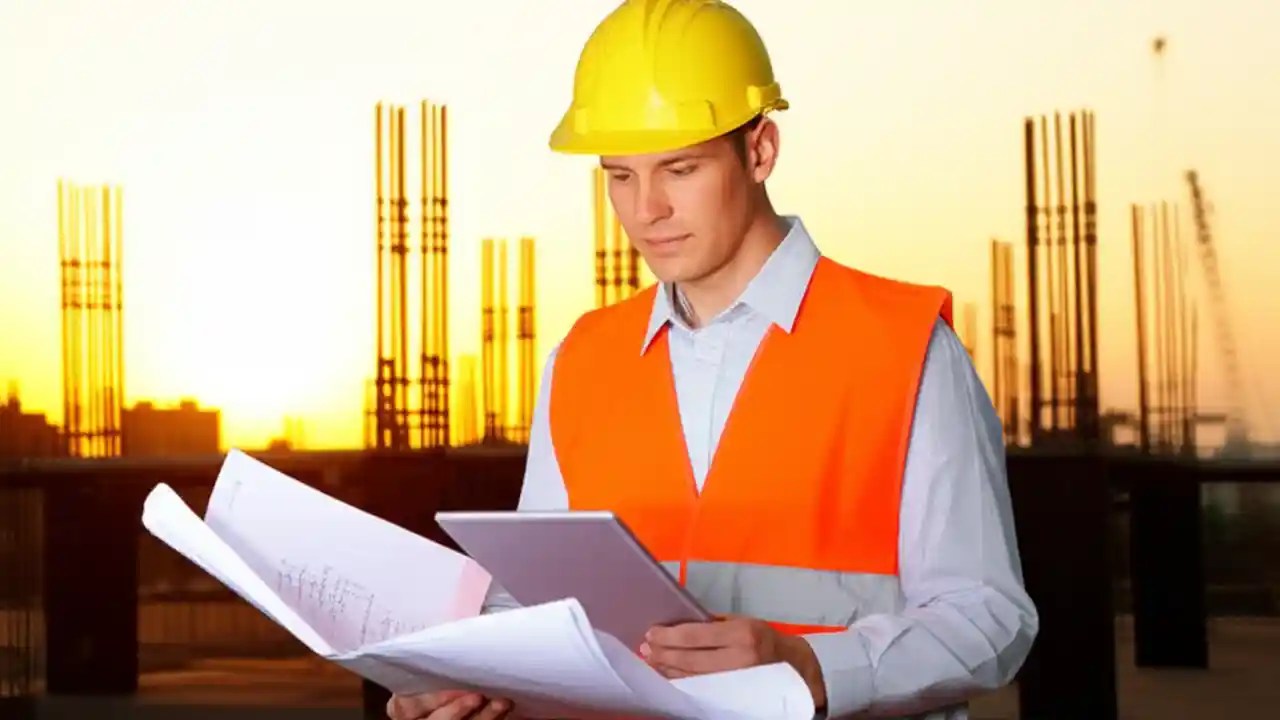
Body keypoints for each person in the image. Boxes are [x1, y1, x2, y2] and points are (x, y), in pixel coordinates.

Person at [386, 1, 1038, 718]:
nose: (646, 211)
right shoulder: (585, 359)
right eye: (620, 177)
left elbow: (989, 621)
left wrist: (813, 666)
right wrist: (475, 678)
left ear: (759, 151)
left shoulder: (905, 349)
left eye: (680, 169)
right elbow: (543, 606)